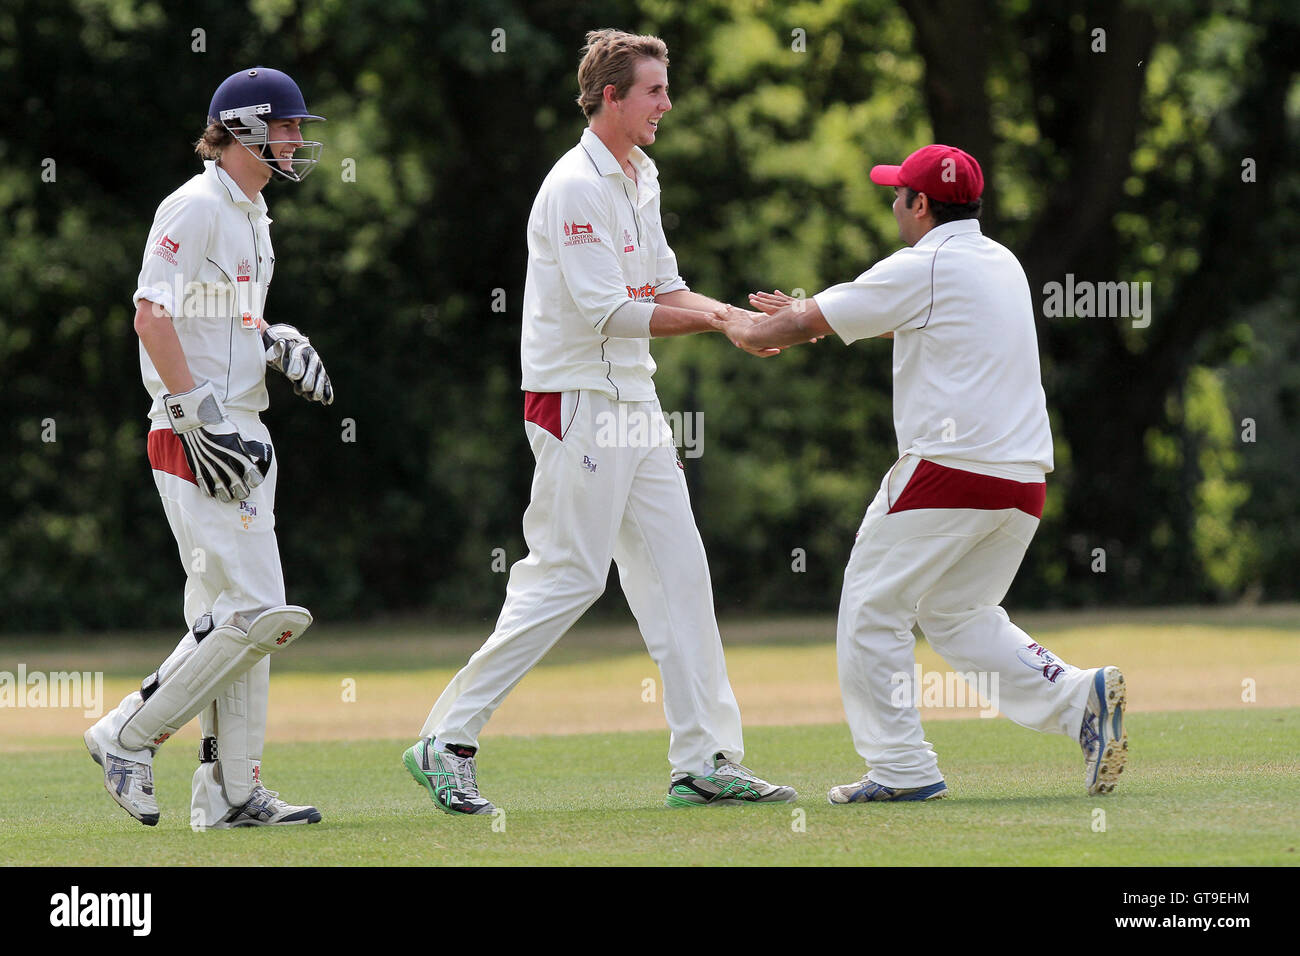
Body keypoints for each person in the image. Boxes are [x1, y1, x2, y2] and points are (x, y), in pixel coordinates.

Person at [403, 29, 796, 813]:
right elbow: (613, 312)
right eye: (653, 90)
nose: (666, 104)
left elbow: (664, 284)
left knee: (681, 574)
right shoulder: (574, 185)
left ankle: (705, 760)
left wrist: (728, 315)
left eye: (665, 88)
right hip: (575, 398)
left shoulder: (639, 176)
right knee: (568, 575)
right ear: (610, 96)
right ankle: (444, 740)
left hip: (635, 406)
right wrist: (726, 325)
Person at [709, 144, 1128, 802]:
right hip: (1021, 482)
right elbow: (913, 319)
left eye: (898, 194)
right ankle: (1079, 701)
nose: (893, 203)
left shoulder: (921, 264)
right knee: (957, 613)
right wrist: (808, 319)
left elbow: (777, 335)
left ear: (921, 204)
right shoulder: (1000, 262)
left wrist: (733, 320)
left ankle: (902, 769)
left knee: (871, 612)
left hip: (949, 473)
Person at [84, 67, 335, 829]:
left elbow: (228, 323)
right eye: (288, 127)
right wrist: (198, 417)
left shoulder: (253, 213)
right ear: (248, 128)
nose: (297, 140)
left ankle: (228, 796)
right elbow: (150, 317)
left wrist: (278, 344)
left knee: (231, 619)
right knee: (262, 613)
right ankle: (126, 735)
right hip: (197, 433)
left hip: (243, 430)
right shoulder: (194, 206)